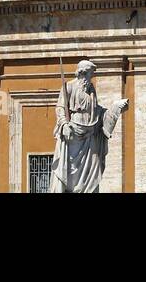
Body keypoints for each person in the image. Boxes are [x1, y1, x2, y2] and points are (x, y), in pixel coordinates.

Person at [50, 60, 129, 193]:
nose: (90, 78)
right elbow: (60, 107)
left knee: (91, 170)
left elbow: (96, 111)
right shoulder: (68, 87)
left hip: (90, 135)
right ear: (82, 73)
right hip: (73, 134)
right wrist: (64, 124)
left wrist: (115, 108)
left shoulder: (91, 90)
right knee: (70, 171)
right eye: (90, 74)